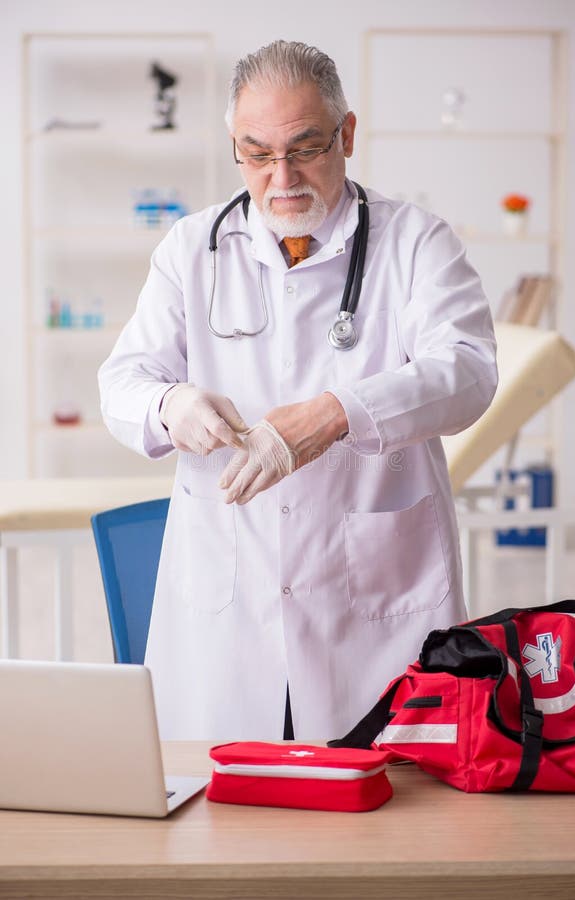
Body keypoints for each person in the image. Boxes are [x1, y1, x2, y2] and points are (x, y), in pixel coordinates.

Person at [98, 40, 498, 742]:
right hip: (227, 609)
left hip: (374, 615)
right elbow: (122, 382)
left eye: (305, 149)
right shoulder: (191, 249)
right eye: (256, 154)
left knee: (388, 798)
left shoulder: (415, 243)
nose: (280, 177)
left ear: (347, 135)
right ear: (234, 144)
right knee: (217, 795)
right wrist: (170, 405)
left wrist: (337, 413)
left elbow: (468, 372)